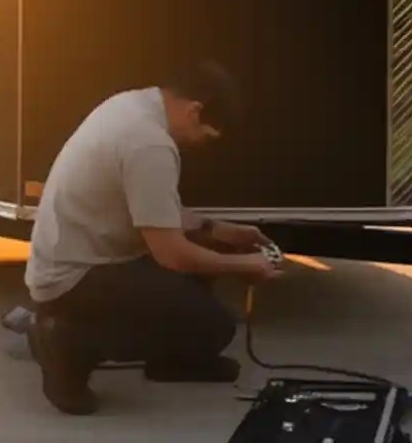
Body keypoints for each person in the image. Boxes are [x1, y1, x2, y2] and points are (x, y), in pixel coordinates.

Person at [23, 60, 283, 415]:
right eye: (207, 136)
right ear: (195, 112)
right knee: (215, 326)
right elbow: (171, 254)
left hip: (78, 258)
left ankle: (172, 361)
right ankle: (65, 344)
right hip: (75, 278)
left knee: (207, 259)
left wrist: (219, 230)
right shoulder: (149, 145)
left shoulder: (131, 106)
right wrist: (247, 266)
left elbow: (155, 212)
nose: (202, 144)